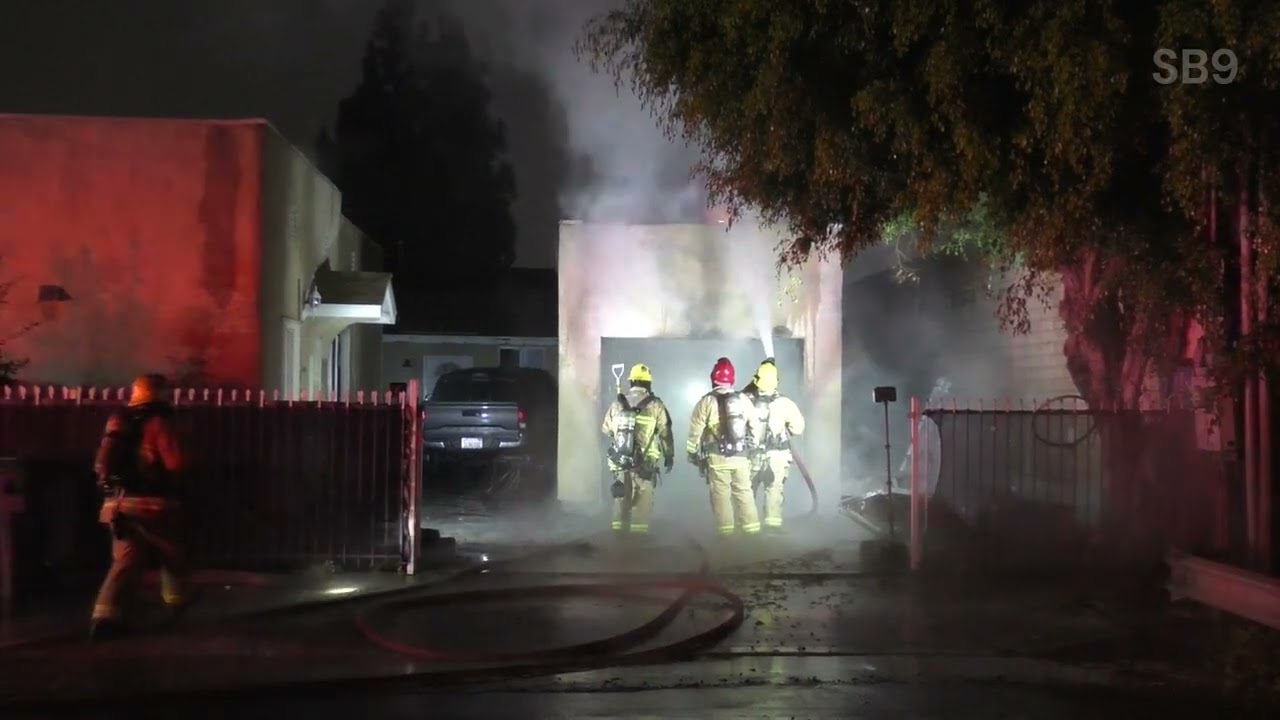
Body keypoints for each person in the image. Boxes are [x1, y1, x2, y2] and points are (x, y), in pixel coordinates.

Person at [90, 373, 189, 642]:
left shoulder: (118, 421)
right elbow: (176, 463)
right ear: (160, 393)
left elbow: (103, 464)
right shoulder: (160, 422)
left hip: (116, 505)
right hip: (152, 505)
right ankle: (176, 602)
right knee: (172, 551)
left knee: (126, 560)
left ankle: (104, 616)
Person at [686, 357, 760, 536]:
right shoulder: (743, 399)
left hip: (717, 458)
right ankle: (753, 533)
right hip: (741, 456)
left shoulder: (706, 402)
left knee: (721, 494)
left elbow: (695, 430)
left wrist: (692, 451)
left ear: (713, 377)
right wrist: (753, 447)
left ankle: (727, 536)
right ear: (732, 378)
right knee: (744, 492)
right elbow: (755, 426)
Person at [601, 363, 674, 535]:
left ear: (631, 382)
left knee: (621, 503)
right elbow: (665, 433)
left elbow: (606, 429)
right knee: (641, 505)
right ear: (649, 383)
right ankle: (637, 542)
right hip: (644, 466)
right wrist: (669, 455)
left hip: (621, 463)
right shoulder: (656, 405)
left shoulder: (618, 403)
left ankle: (617, 540)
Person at [743, 359, 806, 533]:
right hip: (777, 458)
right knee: (774, 492)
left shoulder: (744, 401)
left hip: (752, 457)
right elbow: (798, 429)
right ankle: (772, 532)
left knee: (747, 493)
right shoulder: (786, 403)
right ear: (777, 381)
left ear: (756, 380)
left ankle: (747, 531)